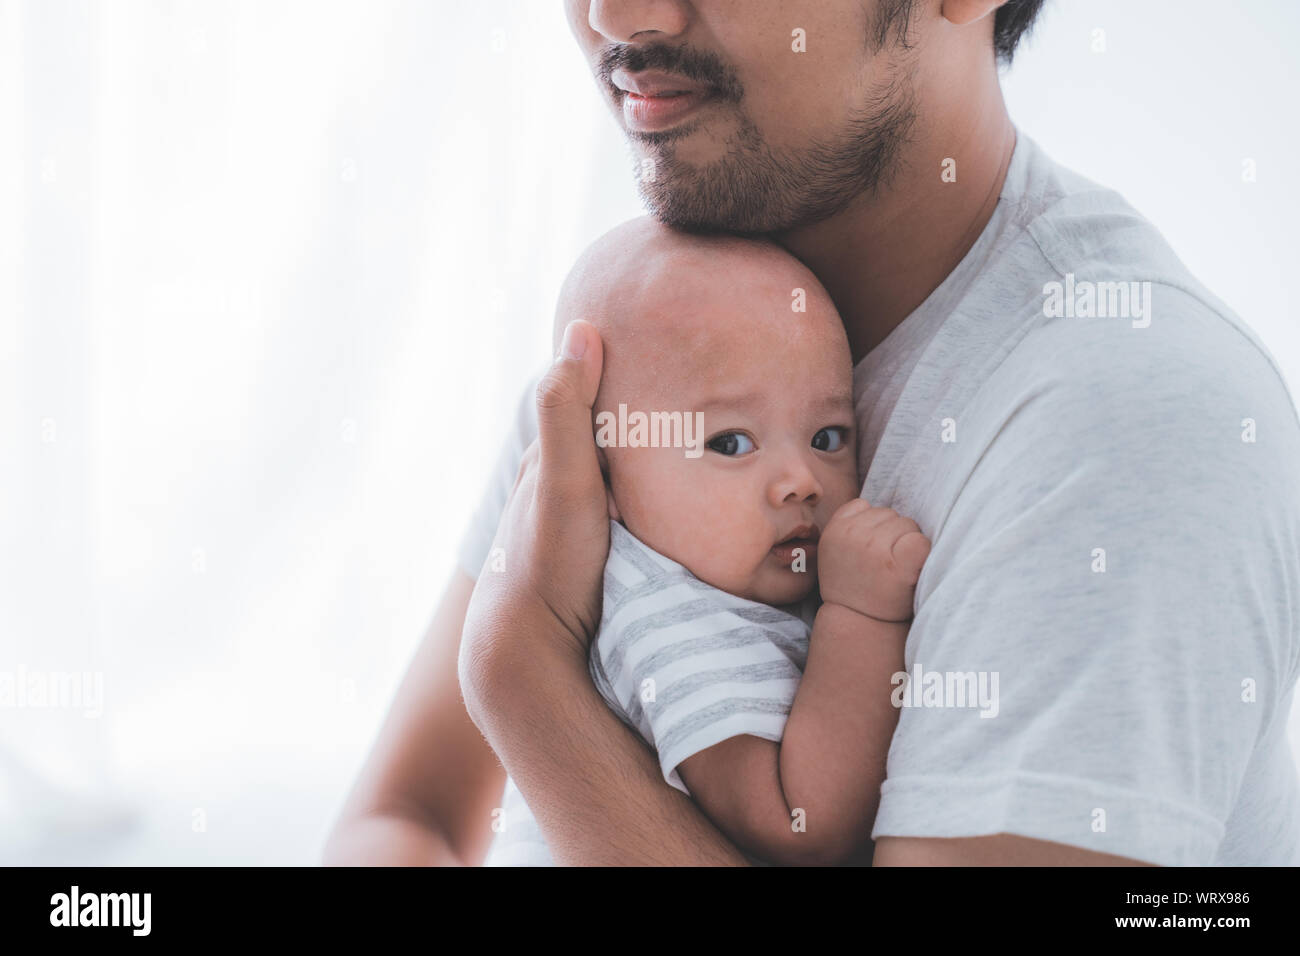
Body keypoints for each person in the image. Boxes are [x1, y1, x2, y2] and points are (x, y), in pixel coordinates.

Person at [325, 0, 1300, 866]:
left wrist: (519, 678)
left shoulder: (1121, 427)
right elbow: (410, 819)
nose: (615, 15)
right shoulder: (657, 332)